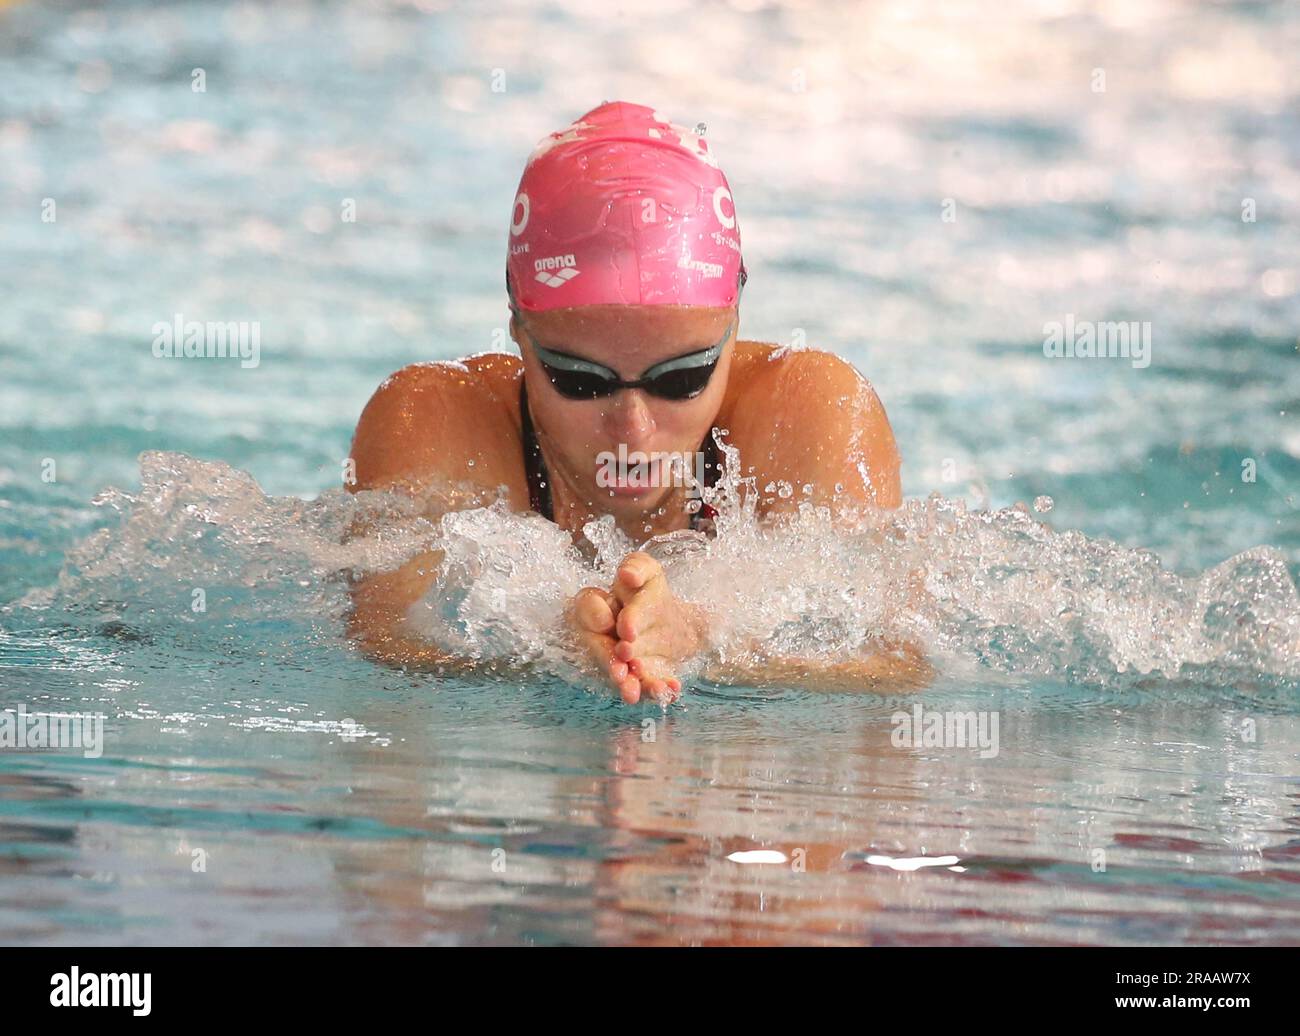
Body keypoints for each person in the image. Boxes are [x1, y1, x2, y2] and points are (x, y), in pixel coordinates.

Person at [346, 101, 927, 703]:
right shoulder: (435, 416)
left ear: (734, 322)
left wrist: (700, 638)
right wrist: (549, 644)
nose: (633, 427)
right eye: (581, 380)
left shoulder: (811, 410)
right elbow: (388, 648)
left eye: (680, 380)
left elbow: (890, 668)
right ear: (517, 325)